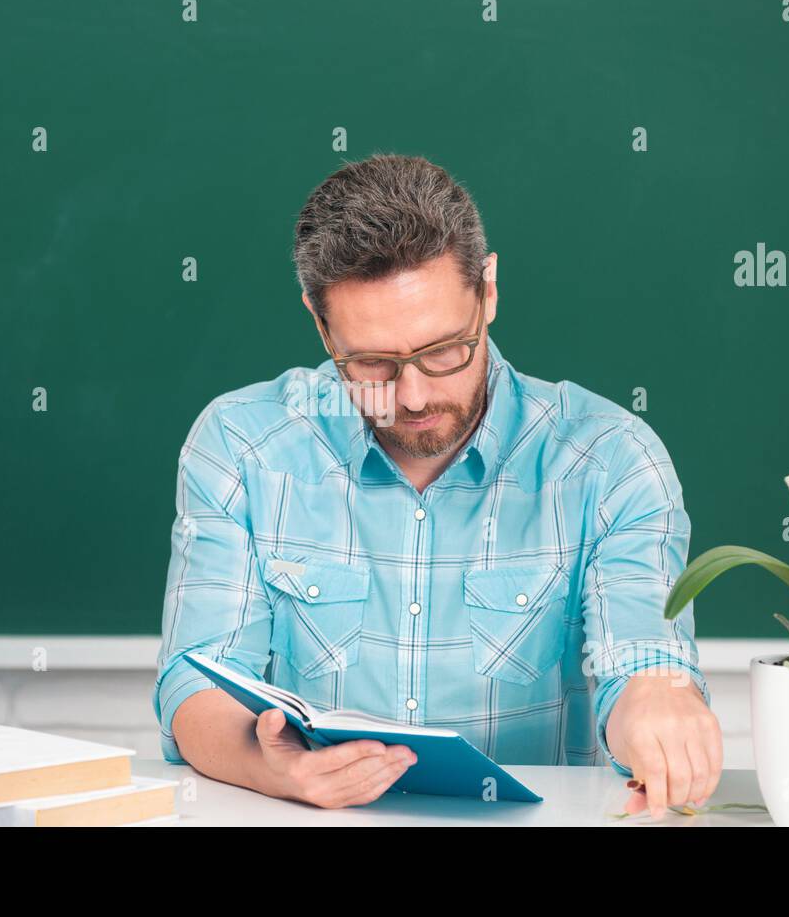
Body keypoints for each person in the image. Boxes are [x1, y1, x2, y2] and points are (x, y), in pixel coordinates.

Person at [153, 153, 721, 818]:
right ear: (317, 319)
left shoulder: (609, 459)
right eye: (372, 363)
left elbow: (642, 652)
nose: (415, 395)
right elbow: (195, 680)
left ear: (489, 289)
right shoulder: (243, 446)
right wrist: (272, 766)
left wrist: (660, 697)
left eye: (446, 350)